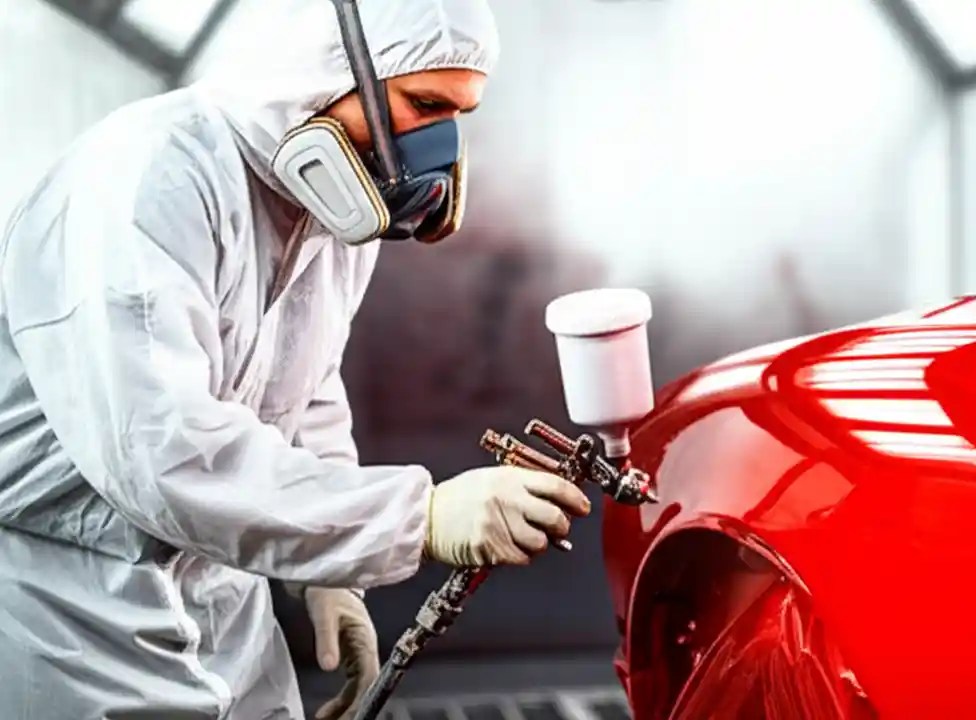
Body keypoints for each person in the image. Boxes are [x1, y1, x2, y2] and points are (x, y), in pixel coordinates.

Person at [0, 1, 590, 718]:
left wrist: (330, 576)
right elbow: (162, 454)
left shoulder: (327, 208)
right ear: (327, 72)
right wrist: (418, 515)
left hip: (221, 590)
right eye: (424, 104)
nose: (437, 144)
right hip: (69, 606)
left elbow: (304, 389)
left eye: (458, 113)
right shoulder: (147, 179)